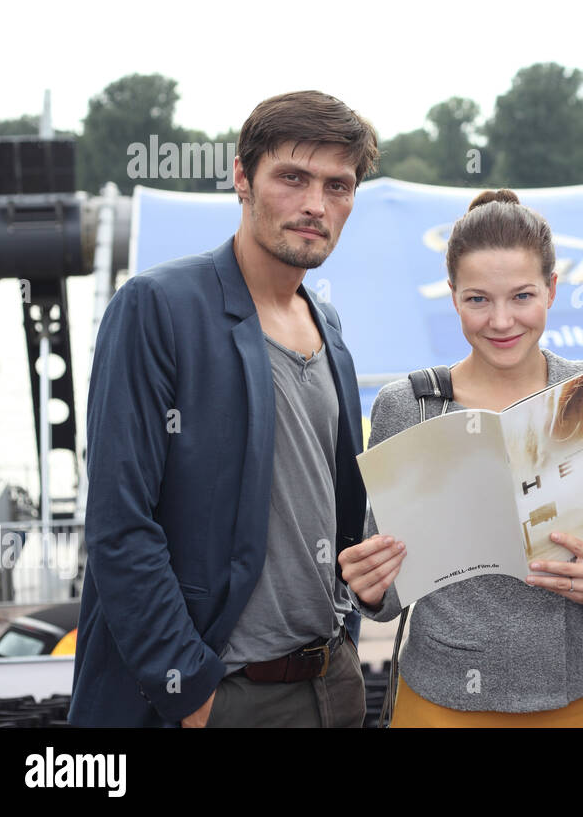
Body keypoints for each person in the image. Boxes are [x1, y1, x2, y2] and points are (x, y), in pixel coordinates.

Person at [69, 90, 394, 727]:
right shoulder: (156, 308)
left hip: (332, 685)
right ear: (241, 177)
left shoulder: (327, 325)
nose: (314, 205)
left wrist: (365, 592)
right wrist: (191, 695)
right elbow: (119, 524)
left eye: (338, 185)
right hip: (221, 694)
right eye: (292, 178)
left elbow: (334, 514)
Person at [343, 189, 583, 727]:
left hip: (569, 703)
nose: (501, 321)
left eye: (521, 296)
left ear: (551, 289)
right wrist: (367, 586)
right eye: (478, 299)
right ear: (452, 296)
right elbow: (384, 592)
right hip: (438, 703)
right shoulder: (405, 406)